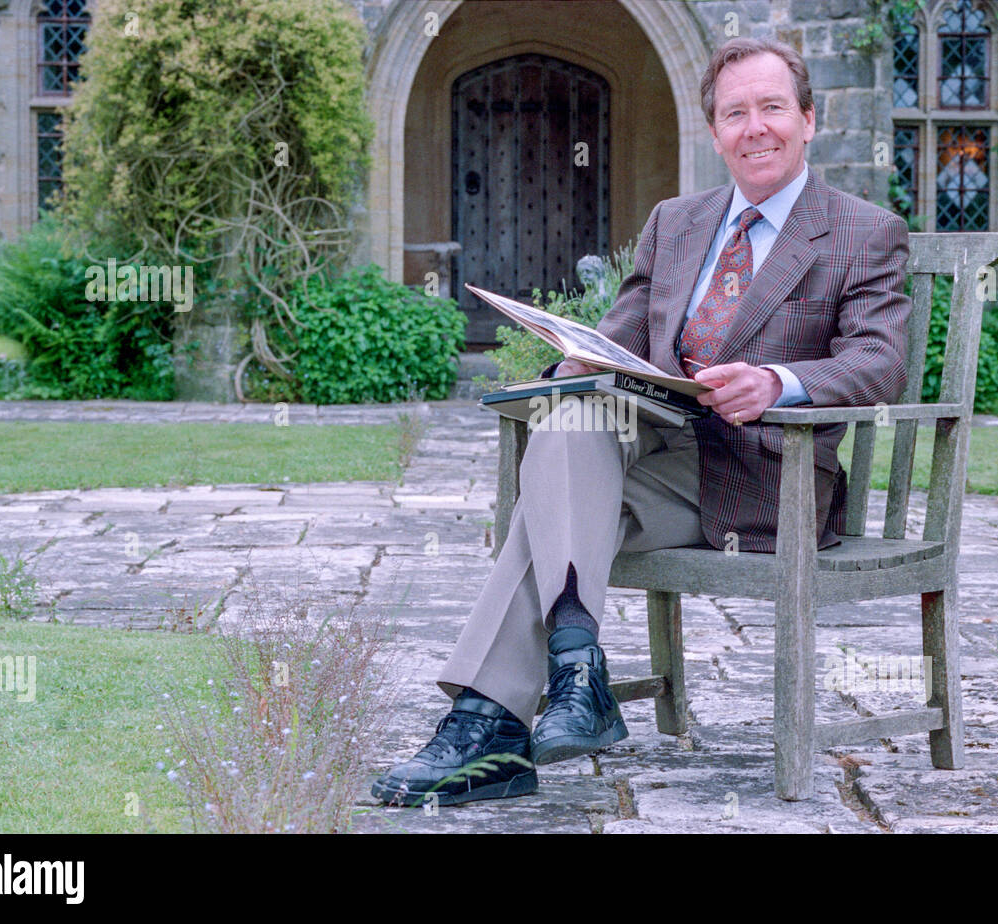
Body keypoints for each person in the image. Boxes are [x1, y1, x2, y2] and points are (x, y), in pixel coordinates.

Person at [372, 36, 912, 806]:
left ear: (808, 119)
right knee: (567, 420)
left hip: (765, 479)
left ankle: (485, 724)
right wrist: (578, 359)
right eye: (735, 113)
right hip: (650, 455)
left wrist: (776, 382)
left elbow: (880, 363)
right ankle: (570, 670)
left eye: (771, 108)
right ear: (714, 131)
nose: (754, 127)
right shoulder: (677, 223)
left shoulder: (862, 232)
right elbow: (622, 335)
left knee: (543, 516)